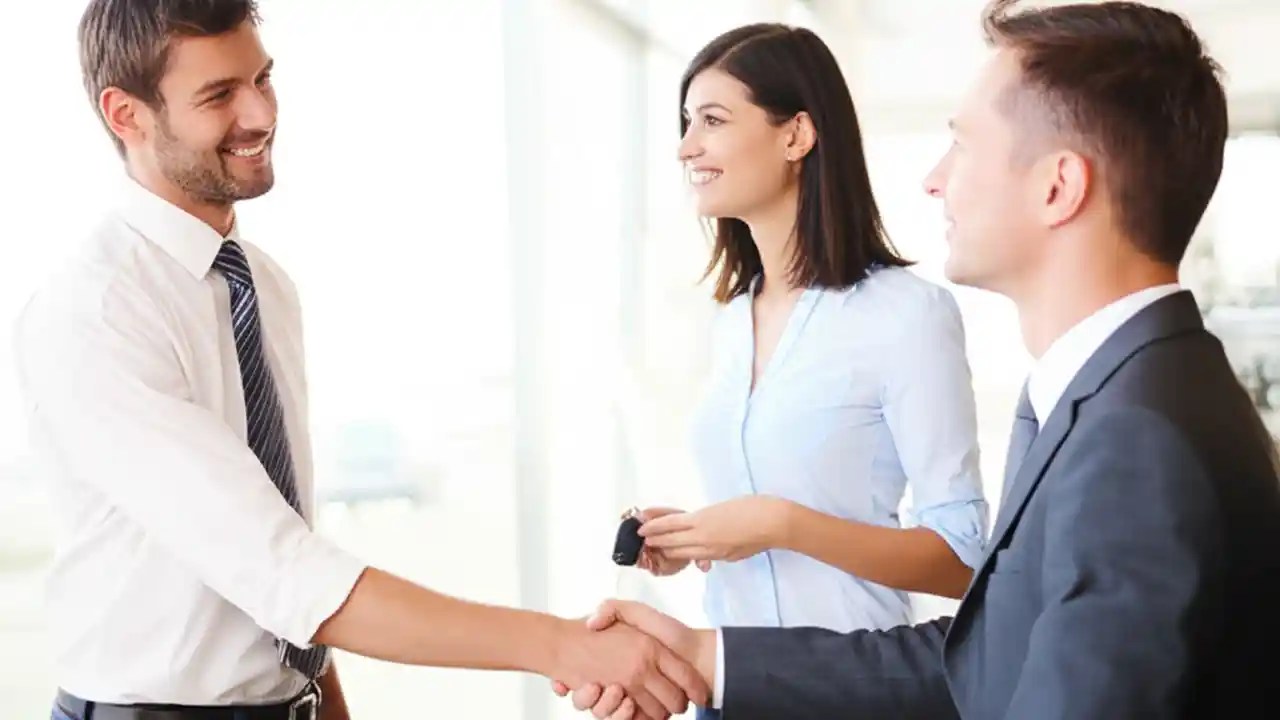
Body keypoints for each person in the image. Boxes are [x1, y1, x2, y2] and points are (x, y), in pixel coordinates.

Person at [560, 1, 1280, 718]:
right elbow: (990, 662)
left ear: (1058, 187)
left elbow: (984, 602)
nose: (934, 180)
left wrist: (780, 526)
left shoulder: (1138, 439)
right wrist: (700, 658)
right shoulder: (1108, 398)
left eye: (962, 146)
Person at [18, 3, 706, 720]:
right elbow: (282, 569)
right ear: (126, 115)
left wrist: (322, 697)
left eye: (263, 78)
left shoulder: (263, 286)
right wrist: (563, 646)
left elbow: (286, 545)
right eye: (219, 95)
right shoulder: (95, 311)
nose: (259, 113)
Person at [631, 26, 988, 720]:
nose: (685, 147)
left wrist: (780, 524)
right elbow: (763, 516)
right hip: (731, 693)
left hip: (853, 690)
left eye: (712, 120)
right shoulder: (732, 320)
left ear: (796, 135)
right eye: (684, 124)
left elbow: (964, 559)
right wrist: (697, 537)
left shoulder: (906, 314)